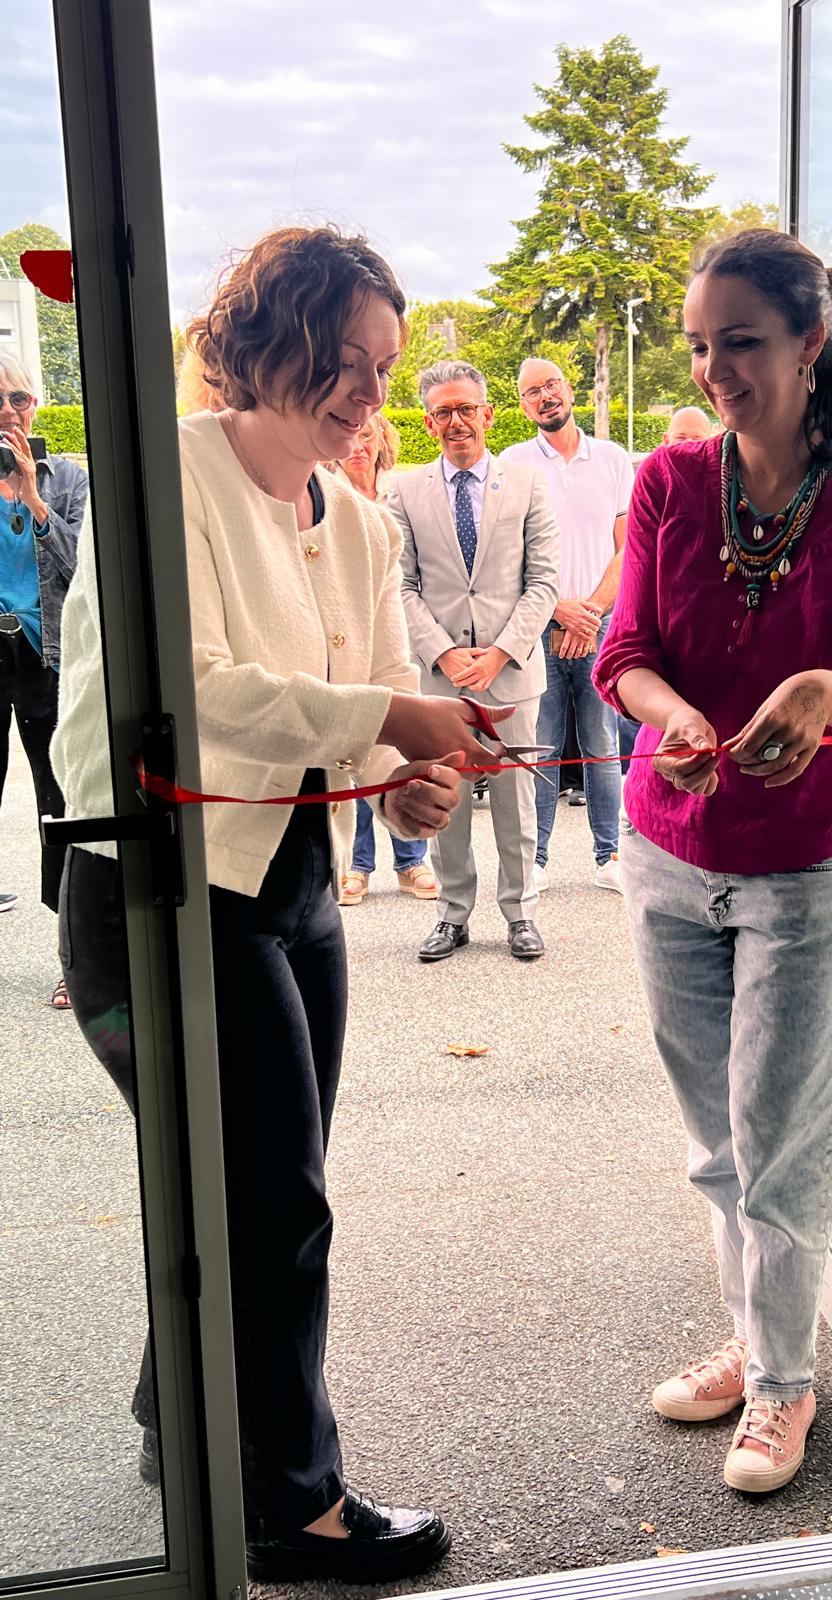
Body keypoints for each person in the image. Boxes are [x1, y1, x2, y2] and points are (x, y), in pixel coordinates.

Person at [52, 225, 504, 1584]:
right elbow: (185, 696)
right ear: (262, 341)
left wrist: (407, 784)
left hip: (291, 884)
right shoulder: (165, 477)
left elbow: (361, 735)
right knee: (274, 1197)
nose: (369, 390)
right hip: (151, 879)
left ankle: (172, 1412)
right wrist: (395, 719)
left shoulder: (360, 521)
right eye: (343, 357)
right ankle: (290, 1506)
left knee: (248, 1181)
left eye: (383, 366)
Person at [594, 228, 832, 1494]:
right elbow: (621, 651)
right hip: (669, 854)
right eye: (699, 344)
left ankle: (785, 1390)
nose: (713, 368)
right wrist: (666, 713)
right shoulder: (668, 483)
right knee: (715, 1144)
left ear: (808, 343)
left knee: (780, 1139)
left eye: (740, 340)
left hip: (802, 872)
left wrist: (817, 692)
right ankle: (757, 1342)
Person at [388, 360, 558, 961]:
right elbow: (400, 585)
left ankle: (521, 912)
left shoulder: (530, 484)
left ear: (487, 413)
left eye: (465, 409)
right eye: (442, 413)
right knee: (442, 792)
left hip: (510, 671)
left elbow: (543, 581)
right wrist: (445, 651)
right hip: (438, 675)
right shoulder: (404, 489)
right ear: (429, 423)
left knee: (515, 798)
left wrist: (500, 654)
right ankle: (453, 912)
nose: (455, 422)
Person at [501, 360, 633, 894]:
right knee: (542, 744)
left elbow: (630, 548)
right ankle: (536, 861)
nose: (544, 397)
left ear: (569, 388)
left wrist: (592, 613)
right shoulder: (512, 464)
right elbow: (509, 554)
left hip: (600, 626)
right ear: (524, 406)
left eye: (550, 385)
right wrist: (557, 610)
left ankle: (610, 857)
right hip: (538, 627)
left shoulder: (613, 459)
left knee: (603, 743)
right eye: (531, 391)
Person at [0, 355, 88, 1004]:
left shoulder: (69, 480)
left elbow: (85, 561)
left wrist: (31, 498)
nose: (8, 412)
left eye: (19, 399)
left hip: (46, 656)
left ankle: (74, 956)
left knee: (57, 805)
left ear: (37, 406)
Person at [335, 415, 439, 904]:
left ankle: (411, 862)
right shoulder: (324, 494)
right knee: (352, 748)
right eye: (351, 437)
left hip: (402, 635)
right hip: (347, 637)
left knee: (396, 748)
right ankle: (357, 866)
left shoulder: (399, 494)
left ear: (382, 441)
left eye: (368, 436)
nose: (358, 446)